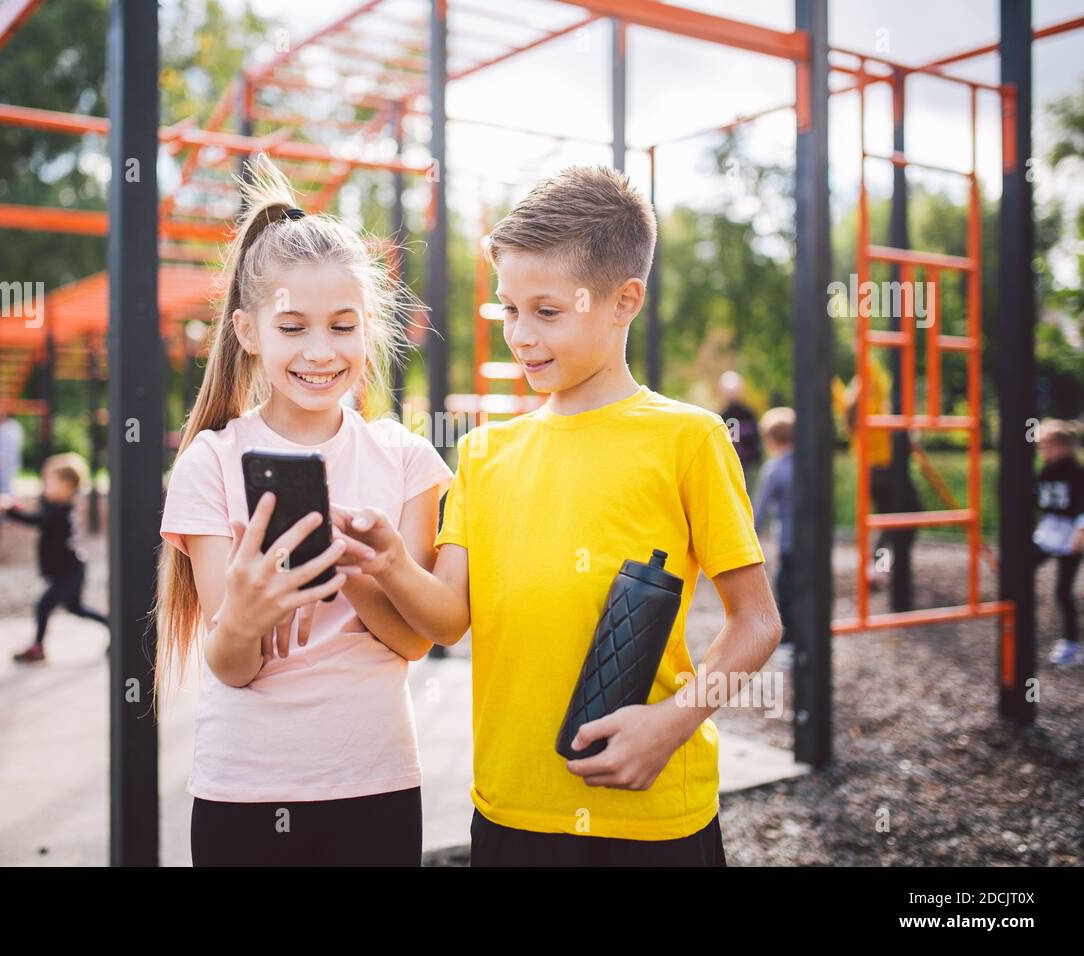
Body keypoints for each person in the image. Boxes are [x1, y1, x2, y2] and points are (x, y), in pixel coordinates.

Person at [334, 165, 780, 866]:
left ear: (623, 301)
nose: (521, 335)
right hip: (510, 815)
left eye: (547, 312)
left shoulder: (690, 439)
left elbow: (757, 621)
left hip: (654, 820)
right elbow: (450, 618)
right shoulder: (483, 454)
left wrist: (671, 723)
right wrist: (386, 563)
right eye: (509, 310)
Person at [154, 154, 451, 867]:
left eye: (343, 327)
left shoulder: (407, 460)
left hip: (377, 782)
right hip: (246, 794)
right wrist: (250, 612)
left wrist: (359, 568)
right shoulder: (210, 465)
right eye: (294, 329)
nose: (321, 352)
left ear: (370, 329)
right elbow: (233, 666)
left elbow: (416, 642)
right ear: (248, 332)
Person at [3, 451, 108, 663]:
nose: (45, 486)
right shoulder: (56, 508)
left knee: (43, 606)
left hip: (69, 573)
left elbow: (39, 520)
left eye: (49, 482)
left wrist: (12, 512)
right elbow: (42, 517)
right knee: (76, 609)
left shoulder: (61, 513)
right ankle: (114, 625)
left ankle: (37, 648)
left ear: (66, 486)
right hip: (69, 572)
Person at [833, 354, 921, 592]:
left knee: (887, 523)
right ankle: (886, 565)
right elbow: (876, 374)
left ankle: (877, 568)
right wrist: (862, 349)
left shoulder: (848, 407)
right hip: (889, 471)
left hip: (870, 474)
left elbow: (833, 388)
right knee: (909, 518)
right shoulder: (873, 401)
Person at [1032, 419, 1084, 667]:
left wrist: (1079, 534)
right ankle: (1021, 620)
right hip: (1048, 531)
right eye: (1041, 446)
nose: (1044, 451)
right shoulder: (1045, 470)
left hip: (1070, 533)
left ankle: (1071, 644)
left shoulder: (1076, 473)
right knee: (1019, 568)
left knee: (1063, 591)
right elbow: (1036, 499)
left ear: (1065, 447)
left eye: (1048, 446)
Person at [752, 407, 796, 669]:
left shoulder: (774, 469)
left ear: (771, 439)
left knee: (786, 590)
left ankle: (789, 645)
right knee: (808, 590)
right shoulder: (810, 464)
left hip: (789, 542)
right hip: (812, 544)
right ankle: (811, 639)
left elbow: (760, 510)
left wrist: (752, 543)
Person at [718, 370, 762, 491]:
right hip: (728, 465)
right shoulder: (721, 415)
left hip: (748, 465)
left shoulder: (748, 414)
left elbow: (756, 439)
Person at [0, 416, 24, 496]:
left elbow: (2, 447)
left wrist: (0, 457)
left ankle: (7, 497)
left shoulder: (9, 428)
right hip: (8, 460)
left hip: (9, 460)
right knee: (5, 482)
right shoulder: (12, 428)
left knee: (7, 481)